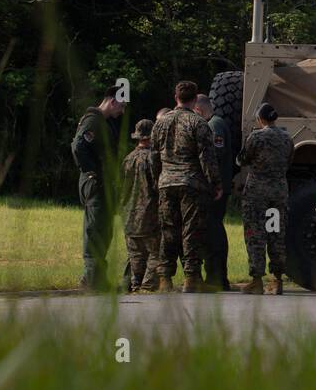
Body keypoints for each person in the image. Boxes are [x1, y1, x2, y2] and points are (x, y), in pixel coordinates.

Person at [150, 80, 221, 293]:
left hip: (166, 182)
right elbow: (207, 158)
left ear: (176, 98)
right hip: (192, 184)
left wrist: (158, 179)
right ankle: (192, 278)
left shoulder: (160, 123)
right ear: (194, 99)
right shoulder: (198, 123)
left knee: (168, 230)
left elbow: (154, 156)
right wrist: (215, 183)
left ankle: (165, 278)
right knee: (192, 231)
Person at [71, 84, 126, 291]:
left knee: (104, 229)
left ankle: (97, 279)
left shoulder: (105, 122)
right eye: (121, 106)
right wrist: (91, 171)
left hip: (103, 183)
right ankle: (92, 280)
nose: (122, 111)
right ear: (113, 101)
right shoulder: (93, 121)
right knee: (95, 230)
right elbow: (78, 147)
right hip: (95, 183)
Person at [237, 102, 293, 295]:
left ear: (260, 119)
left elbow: (242, 159)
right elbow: (289, 161)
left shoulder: (256, 137)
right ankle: (277, 280)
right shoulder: (287, 138)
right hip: (278, 192)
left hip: (257, 194)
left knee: (255, 235)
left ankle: (257, 280)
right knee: (276, 233)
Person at [195, 94, 233, 291]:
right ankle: (217, 277)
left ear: (199, 110)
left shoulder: (214, 125)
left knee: (212, 231)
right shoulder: (217, 123)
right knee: (212, 229)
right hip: (217, 186)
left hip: (215, 188)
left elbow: (215, 155)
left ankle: (216, 278)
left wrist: (212, 183)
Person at [120, 119, 161, 293]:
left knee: (135, 253)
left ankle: (136, 284)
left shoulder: (128, 159)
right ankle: (148, 285)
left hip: (129, 214)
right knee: (156, 251)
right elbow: (158, 185)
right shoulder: (154, 158)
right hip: (150, 212)